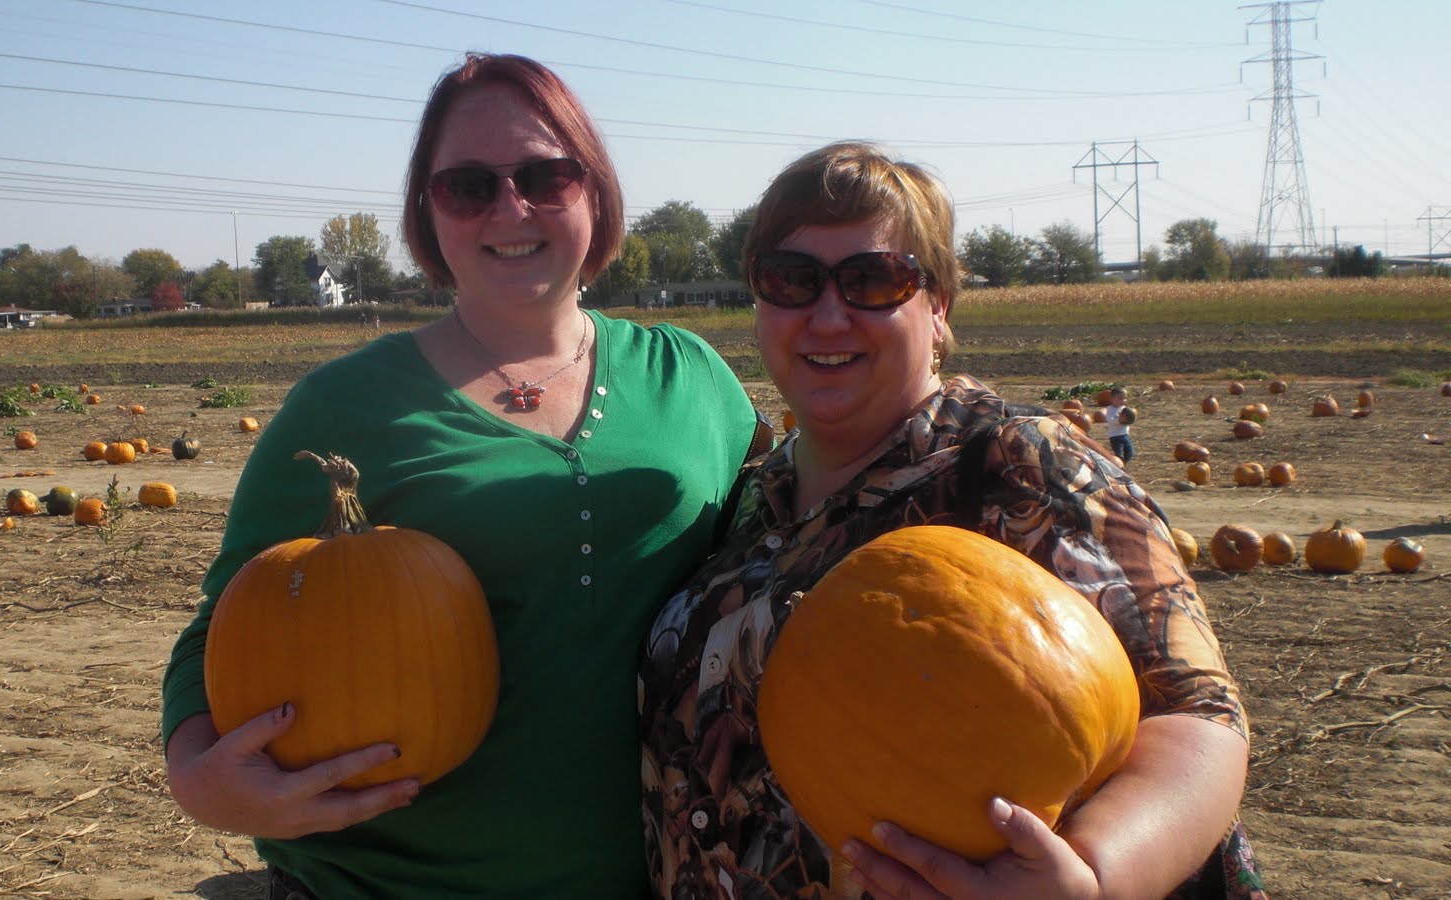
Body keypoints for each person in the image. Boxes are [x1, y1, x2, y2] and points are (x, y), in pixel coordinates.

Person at [161, 53, 764, 899]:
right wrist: (201, 777)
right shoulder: (344, 409)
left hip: (664, 878)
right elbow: (223, 623)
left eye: (547, 176)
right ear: (427, 213)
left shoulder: (690, 377)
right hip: (383, 883)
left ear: (595, 191)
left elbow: (781, 558)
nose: (510, 208)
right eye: (468, 185)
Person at [638, 142, 1264, 900]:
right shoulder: (746, 503)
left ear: (938, 308)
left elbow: (1202, 715)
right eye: (791, 279)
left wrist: (1094, 876)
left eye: (873, 280)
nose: (828, 314)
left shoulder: (1019, 466)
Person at [1105, 385, 1136, 465]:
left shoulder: (1124, 409)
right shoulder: (1110, 409)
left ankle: (1122, 464)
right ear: (1112, 399)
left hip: (1125, 435)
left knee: (1130, 452)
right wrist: (1119, 420)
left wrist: (1130, 419)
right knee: (1119, 454)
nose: (1122, 400)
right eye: (1120, 398)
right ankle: (1119, 465)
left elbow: (1129, 420)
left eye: (1124, 398)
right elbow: (1110, 420)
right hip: (1115, 437)